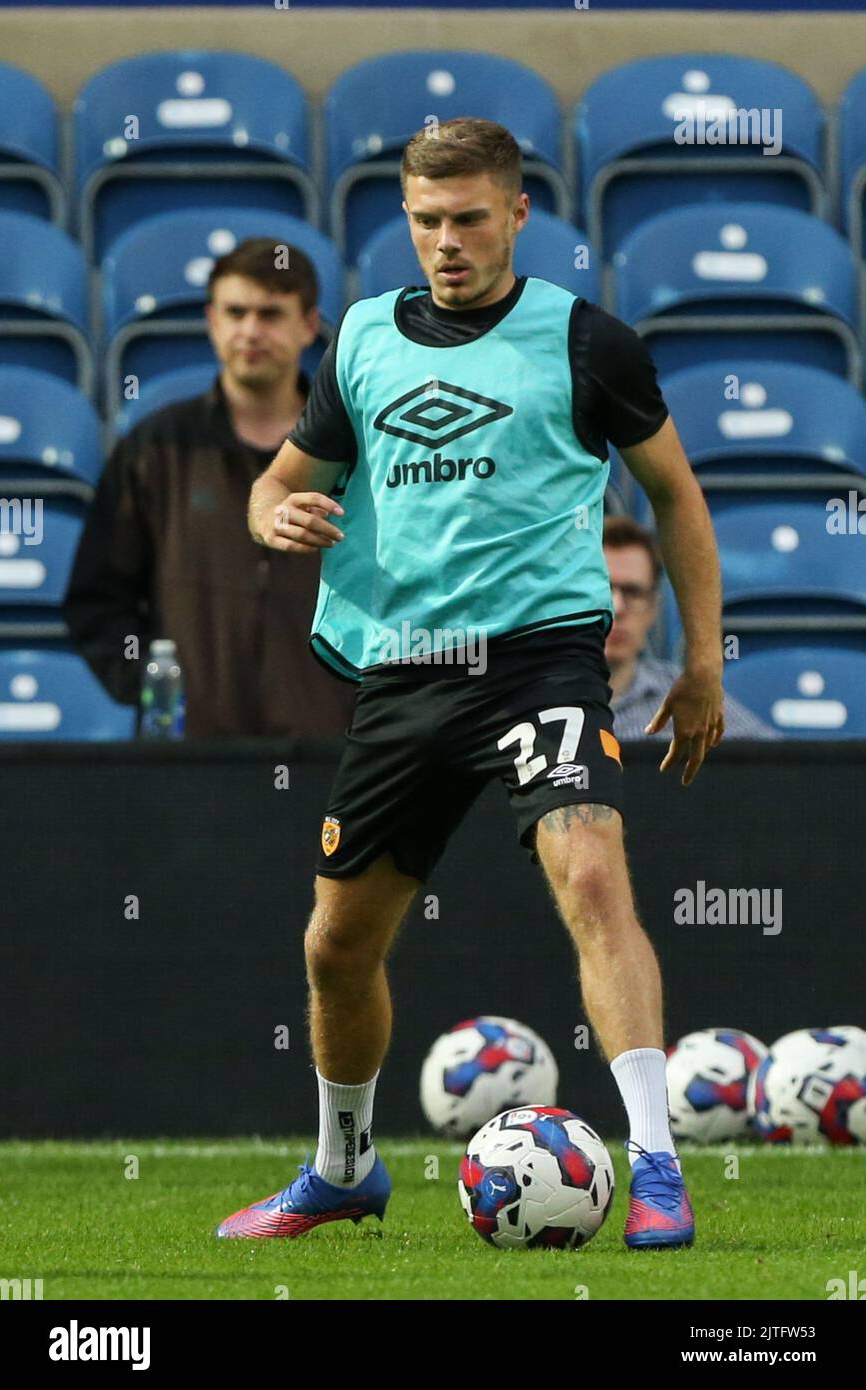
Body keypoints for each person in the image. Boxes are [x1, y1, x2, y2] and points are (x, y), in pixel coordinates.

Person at [218, 119, 724, 1248]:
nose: (445, 242)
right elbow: (280, 479)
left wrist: (699, 659)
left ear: (517, 213)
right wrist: (273, 510)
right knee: (334, 947)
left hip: (540, 656)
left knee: (592, 877)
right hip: (406, 672)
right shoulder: (360, 340)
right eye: (425, 220)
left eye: (468, 219)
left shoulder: (588, 341)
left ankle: (655, 1165)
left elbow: (678, 496)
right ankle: (345, 1167)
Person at [64, 238, 356, 737]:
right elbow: (96, 602)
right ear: (212, 321)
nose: (250, 330)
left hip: (334, 753)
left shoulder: (358, 454)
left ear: (309, 325)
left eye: (270, 314)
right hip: (190, 762)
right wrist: (152, 688)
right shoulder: (154, 450)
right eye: (235, 312)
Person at [604, 516, 778, 739]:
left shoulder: (685, 696)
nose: (617, 608)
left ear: (653, 608)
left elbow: (777, 761)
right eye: (603, 590)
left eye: (633, 592)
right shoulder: (545, 698)